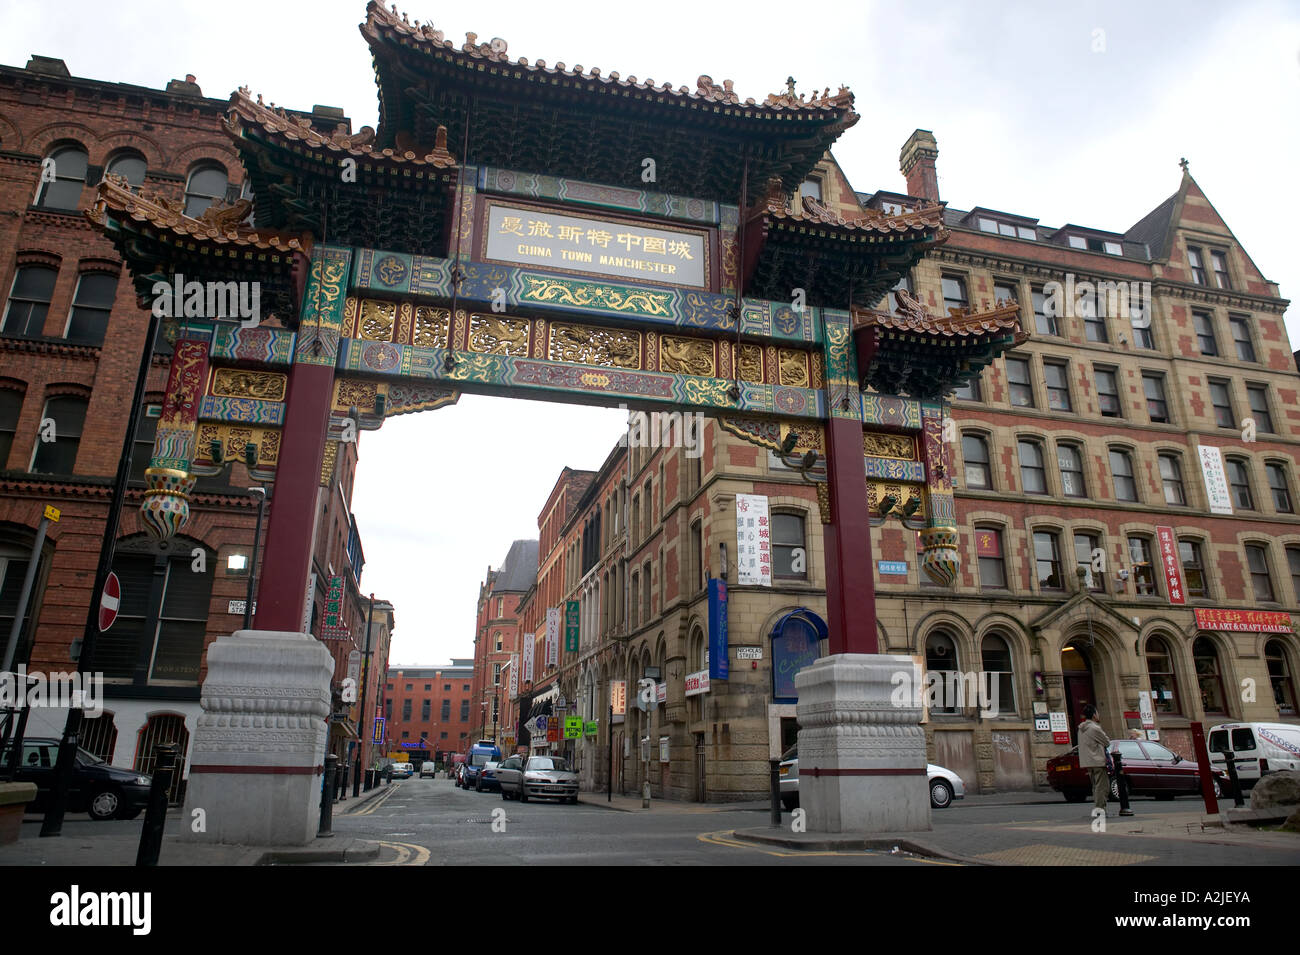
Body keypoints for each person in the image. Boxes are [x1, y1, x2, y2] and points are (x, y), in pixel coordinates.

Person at [1078, 703, 1111, 815]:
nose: (1098, 714)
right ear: (1093, 715)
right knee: (1102, 787)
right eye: (1097, 712)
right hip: (1097, 761)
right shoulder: (1094, 728)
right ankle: (1100, 809)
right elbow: (1107, 742)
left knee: (1095, 786)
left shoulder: (1081, 728)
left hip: (1088, 762)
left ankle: (1098, 808)